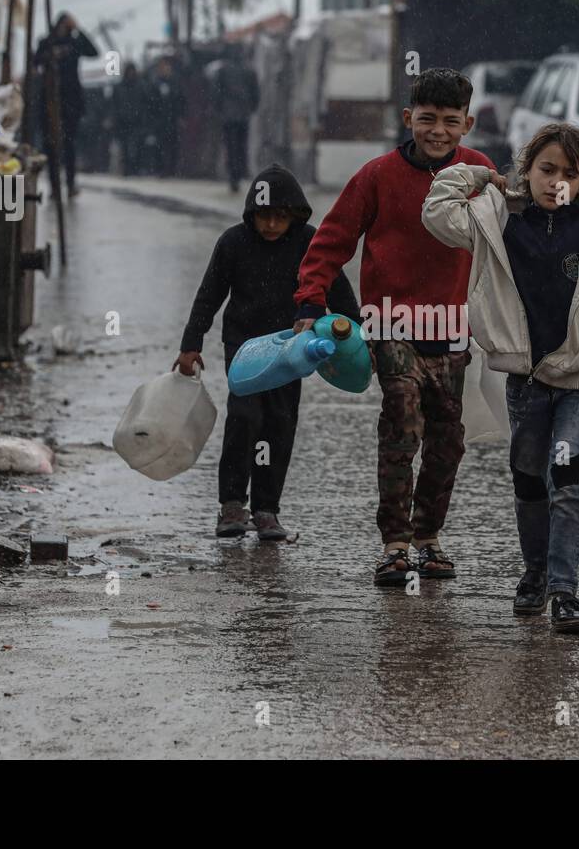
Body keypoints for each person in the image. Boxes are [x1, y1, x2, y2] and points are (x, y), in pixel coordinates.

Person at [421, 122, 579, 633]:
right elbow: (435, 215)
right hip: (525, 377)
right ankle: (533, 573)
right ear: (526, 170)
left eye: (570, 175)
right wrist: (472, 173)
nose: (556, 181)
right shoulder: (496, 218)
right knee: (528, 476)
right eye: (546, 169)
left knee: (565, 474)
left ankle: (564, 591)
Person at [291, 68, 495, 586]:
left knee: (448, 435)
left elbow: (507, 243)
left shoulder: (480, 173)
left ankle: (429, 539)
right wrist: (310, 300)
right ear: (408, 118)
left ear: (467, 124)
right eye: (427, 119)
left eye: (451, 121)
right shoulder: (376, 176)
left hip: (452, 327)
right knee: (403, 418)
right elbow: (332, 242)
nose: (438, 131)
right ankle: (395, 543)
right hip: (390, 325)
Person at [175, 164, 360, 541]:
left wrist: (358, 336)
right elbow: (209, 295)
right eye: (264, 217)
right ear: (251, 214)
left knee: (279, 422)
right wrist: (190, 345)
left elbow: (336, 290)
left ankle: (266, 510)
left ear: (294, 215)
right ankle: (231, 505)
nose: (272, 225)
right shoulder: (233, 243)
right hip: (244, 347)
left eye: (280, 217)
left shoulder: (310, 243)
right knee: (244, 418)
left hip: (293, 349)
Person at [34, 12, 98, 197]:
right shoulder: (47, 42)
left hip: (71, 99)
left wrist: (79, 30)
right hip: (50, 98)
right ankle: (54, 186)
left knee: (69, 144)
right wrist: (50, 55)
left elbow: (93, 52)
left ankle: (70, 184)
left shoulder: (75, 42)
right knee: (50, 145)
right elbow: (36, 61)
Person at [212, 46, 259, 192]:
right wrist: (252, 107)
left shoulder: (223, 70)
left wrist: (218, 108)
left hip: (228, 114)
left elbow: (216, 91)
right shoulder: (249, 70)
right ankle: (239, 172)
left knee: (230, 145)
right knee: (241, 145)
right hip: (243, 113)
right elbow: (256, 92)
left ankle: (233, 175)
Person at [112, 62, 151, 177]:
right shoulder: (120, 87)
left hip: (136, 121)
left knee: (137, 146)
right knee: (125, 146)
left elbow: (146, 102)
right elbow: (115, 104)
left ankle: (135, 168)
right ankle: (127, 169)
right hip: (123, 121)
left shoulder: (141, 86)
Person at [150, 57, 186, 177]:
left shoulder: (175, 82)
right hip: (160, 119)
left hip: (172, 118)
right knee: (160, 145)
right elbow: (152, 102)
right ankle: (161, 169)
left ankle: (172, 169)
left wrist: (181, 115)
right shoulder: (156, 83)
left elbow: (181, 100)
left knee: (173, 145)